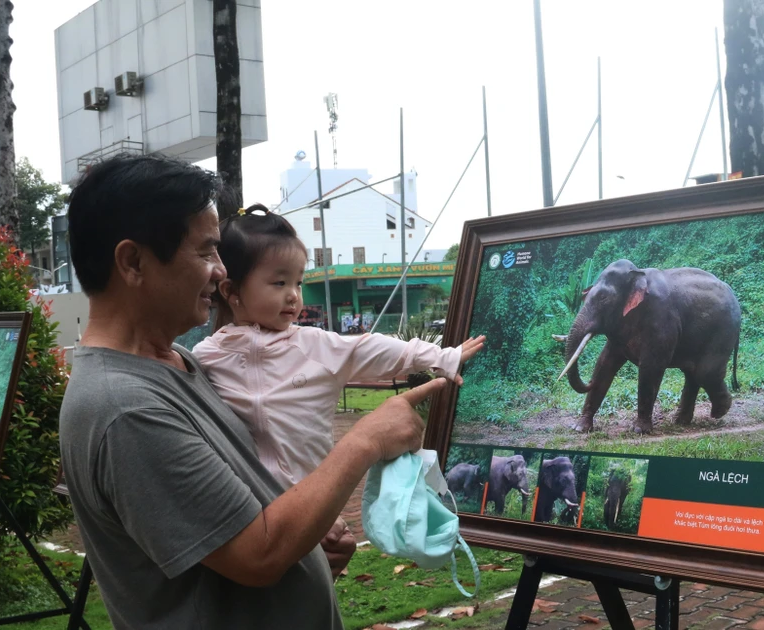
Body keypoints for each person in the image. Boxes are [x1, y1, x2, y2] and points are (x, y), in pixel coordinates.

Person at [59, 154, 444, 629]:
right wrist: (365, 439)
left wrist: (310, 548)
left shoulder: (181, 365)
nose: (222, 272)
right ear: (133, 261)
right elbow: (257, 554)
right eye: (205, 252)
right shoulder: (124, 407)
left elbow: (241, 516)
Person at [191, 206, 484, 558]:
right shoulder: (205, 357)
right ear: (230, 289)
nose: (293, 295)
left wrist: (442, 356)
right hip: (247, 511)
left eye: (298, 282)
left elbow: (371, 348)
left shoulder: (314, 346)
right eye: (279, 282)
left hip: (310, 503)